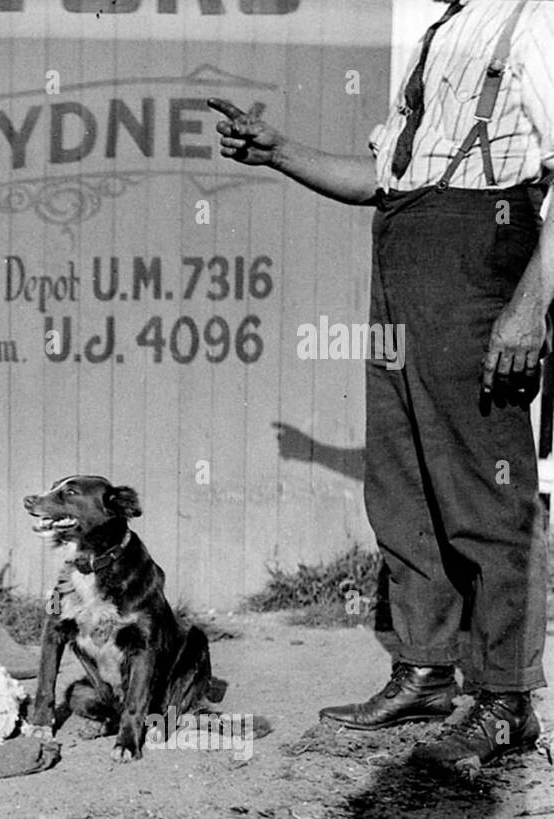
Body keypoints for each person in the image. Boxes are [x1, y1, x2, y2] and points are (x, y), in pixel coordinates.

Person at [209, 0, 554, 769]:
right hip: (405, 252)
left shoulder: (534, 20)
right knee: (405, 484)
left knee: (486, 494)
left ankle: (506, 700)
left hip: (479, 255)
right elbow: (384, 179)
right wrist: (278, 152)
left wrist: (529, 307)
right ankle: (426, 669)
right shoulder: (445, 29)